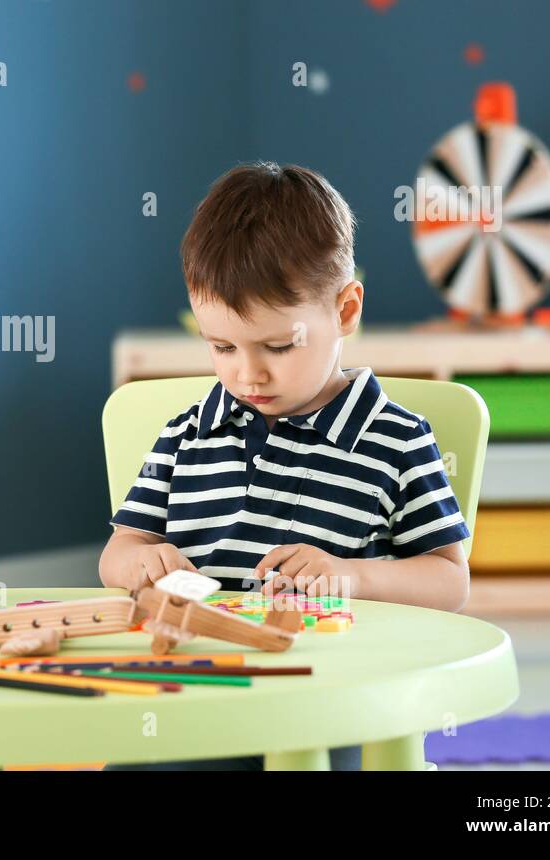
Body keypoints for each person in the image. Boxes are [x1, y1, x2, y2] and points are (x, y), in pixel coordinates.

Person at [100, 162, 470, 771]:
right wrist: (142, 562)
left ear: (346, 311)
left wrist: (352, 577)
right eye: (222, 348)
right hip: (193, 700)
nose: (249, 374)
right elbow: (117, 554)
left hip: (332, 709)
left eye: (278, 346)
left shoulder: (395, 440)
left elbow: (450, 581)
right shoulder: (186, 435)